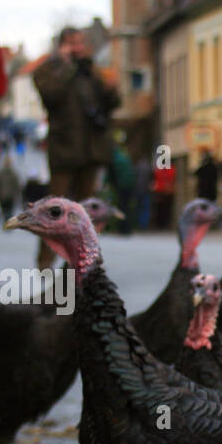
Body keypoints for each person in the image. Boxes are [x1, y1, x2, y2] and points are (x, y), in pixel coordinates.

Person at [33, 26, 120, 267]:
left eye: (80, 43)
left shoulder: (92, 71)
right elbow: (51, 95)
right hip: (63, 148)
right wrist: (67, 67)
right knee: (54, 210)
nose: (77, 48)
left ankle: (83, 260)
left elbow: (111, 103)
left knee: (85, 211)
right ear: (60, 46)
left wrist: (112, 88)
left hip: (91, 148)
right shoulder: (48, 71)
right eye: (71, 43)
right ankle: (45, 261)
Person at [108, 135, 137, 234]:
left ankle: (123, 228)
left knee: (122, 206)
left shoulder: (115, 158)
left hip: (122, 185)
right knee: (126, 206)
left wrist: (109, 183)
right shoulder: (123, 156)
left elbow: (113, 173)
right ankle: (127, 228)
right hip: (130, 184)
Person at [152, 160, 175, 230]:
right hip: (166, 191)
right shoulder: (172, 170)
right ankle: (164, 224)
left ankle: (161, 224)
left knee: (161, 209)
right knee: (165, 209)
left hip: (161, 191)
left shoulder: (159, 170)